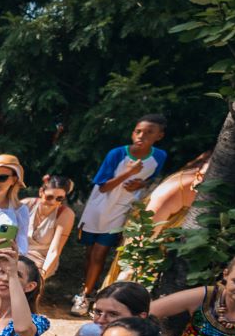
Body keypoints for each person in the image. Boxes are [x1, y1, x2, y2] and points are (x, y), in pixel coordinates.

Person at [71, 114, 168, 314]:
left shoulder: (159, 156)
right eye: (138, 131)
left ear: (159, 136)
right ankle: (85, 288)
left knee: (100, 253)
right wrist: (128, 173)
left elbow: (150, 178)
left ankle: (86, 297)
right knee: (89, 254)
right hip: (98, 208)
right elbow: (103, 186)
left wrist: (142, 183)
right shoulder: (116, 154)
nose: (141, 136)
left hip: (122, 210)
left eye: (149, 133)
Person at [24, 173, 76, 277]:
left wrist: (41, 278)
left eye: (59, 199)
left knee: (27, 277)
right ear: (41, 192)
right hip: (17, 252)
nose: (53, 202)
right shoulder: (26, 205)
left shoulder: (65, 214)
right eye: (49, 197)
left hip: (41, 259)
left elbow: (54, 251)